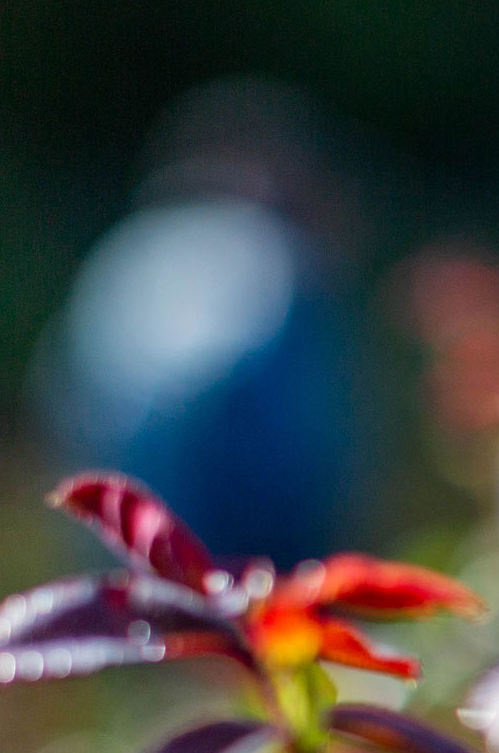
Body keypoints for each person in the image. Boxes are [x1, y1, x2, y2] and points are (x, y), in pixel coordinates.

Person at [37, 79, 359, 568]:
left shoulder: (125, 249)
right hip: (244, 534)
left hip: (116, 528)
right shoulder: (272, 253)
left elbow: (61, 389)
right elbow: (303, 440)